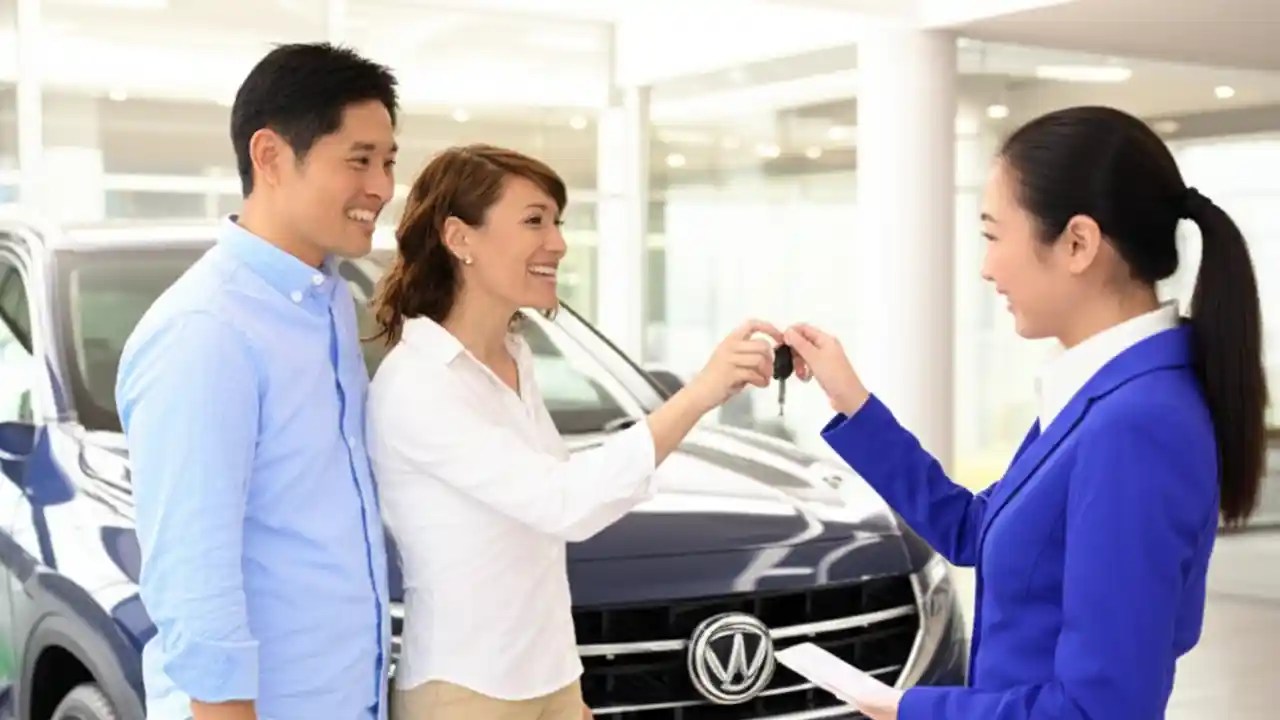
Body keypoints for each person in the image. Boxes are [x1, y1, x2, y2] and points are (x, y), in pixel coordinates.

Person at [784, 105, 1267, 720]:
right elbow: (976, 531)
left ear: (1077, 243)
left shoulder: (1137, 425)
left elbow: (1099, 709)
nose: (987, 267)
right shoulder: (1105, 398)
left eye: (993, 234)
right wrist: (852, 402)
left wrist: (913, 709)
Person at [365, 144, 781, 720]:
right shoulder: (418, 385)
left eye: (556, 221)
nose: (557, 242)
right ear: (460, 238)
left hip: (552, 678)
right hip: (466, 693)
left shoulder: (514, 358)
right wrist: (699, 393)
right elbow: (564, 502)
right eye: (534, 220)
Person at [115, 43, 400, 720]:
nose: (383, 187)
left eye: (389, 162)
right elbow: (192, 571)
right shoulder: (206, 329)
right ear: (270, 156)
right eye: (358, 160)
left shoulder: (325, 302)